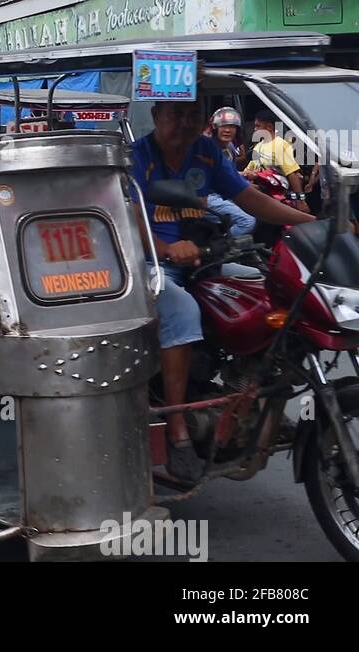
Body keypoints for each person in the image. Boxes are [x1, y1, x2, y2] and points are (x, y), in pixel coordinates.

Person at [131, 100, 315, 482]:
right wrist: (165, 249)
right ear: (156, 117)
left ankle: (253, 395)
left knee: (268, 291)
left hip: (203, 257)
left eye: (192, 115)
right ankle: (178, 429)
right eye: (175, 115)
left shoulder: (207, 152)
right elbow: (125, 215)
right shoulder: (138, 156)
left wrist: (315, 223)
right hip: (148, 264)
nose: (184, 123)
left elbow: (251, 201)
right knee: (181, 310)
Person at [243, 109, 309, 213]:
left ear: (269, 127)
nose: (255, 129)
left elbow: (292, 174)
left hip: (279, 199)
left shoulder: (280, 145)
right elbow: (248, 170)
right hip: (261, 198)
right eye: (255, 126)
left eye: (258, 126)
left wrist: (300, 201)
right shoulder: (257, 147)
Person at [206, 107, 255, 236]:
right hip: (207, 196)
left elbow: (228, 173)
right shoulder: (206, 148)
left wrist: (244, 174)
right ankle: (224, 247)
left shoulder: (230, 147)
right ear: (215, 127)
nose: (227, 130)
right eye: (223, 125)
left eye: (232, 126)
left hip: (223, 194)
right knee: (247, 222)